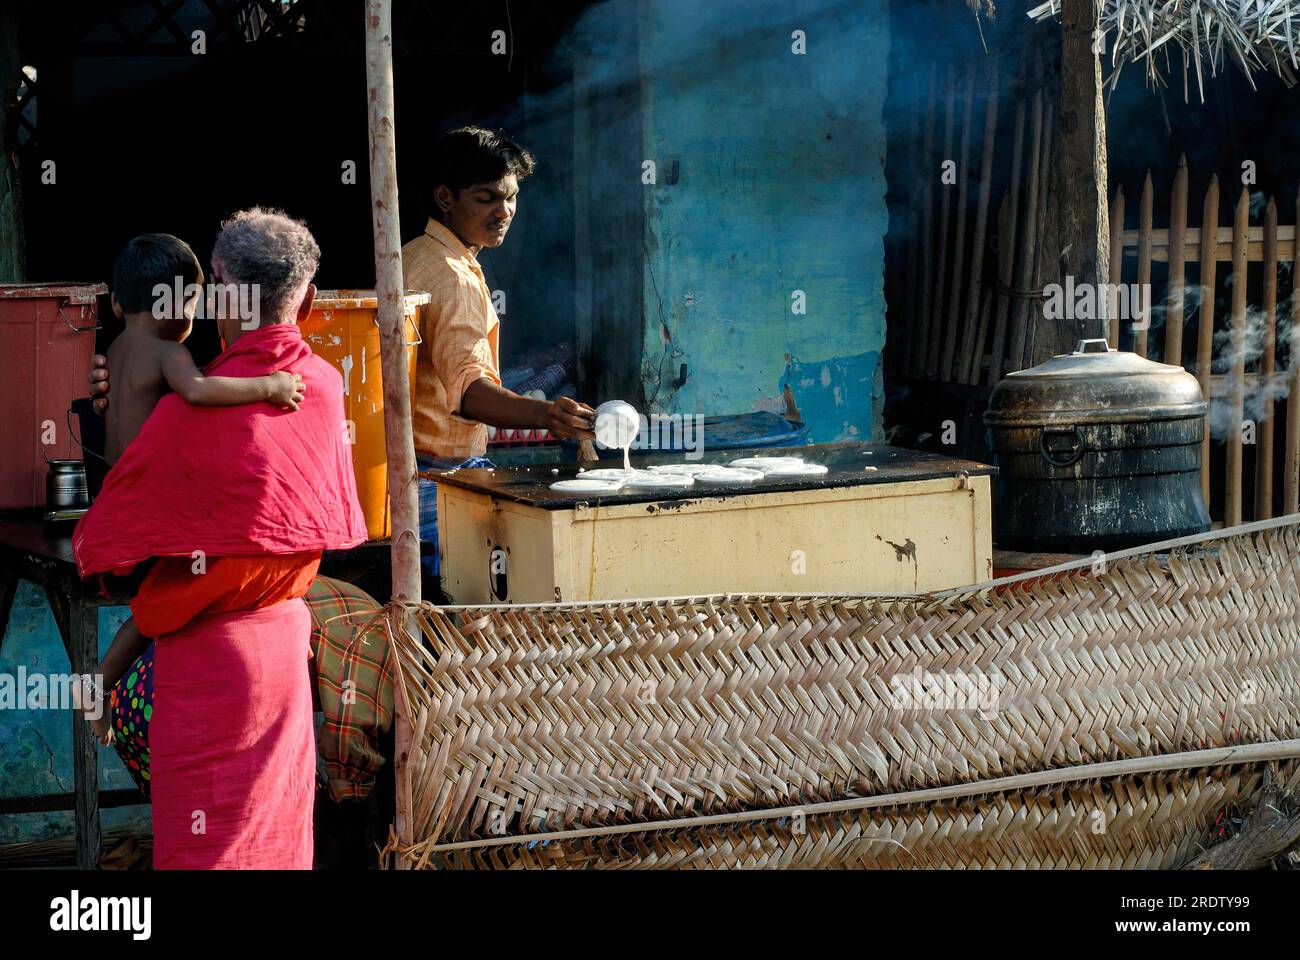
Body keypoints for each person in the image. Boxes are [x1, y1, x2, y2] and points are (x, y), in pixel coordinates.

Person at [75, 207, 368, 869]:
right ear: (312, 300)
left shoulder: (186, 413)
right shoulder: (322, 388)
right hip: (286, 656)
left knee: (207, 847)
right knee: (276, 837)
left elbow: (115, 543)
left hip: (208, 670)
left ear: (219, 302)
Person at [73, 233, 305, 746]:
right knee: (165, 599)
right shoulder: (168, 352)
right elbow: (199, 391)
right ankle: (101, 680)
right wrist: (272, 386)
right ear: (184, 306)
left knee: (158, 595)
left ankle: (104, 682)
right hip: (150, 505)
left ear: (116, 302)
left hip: (115, 494)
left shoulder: (113, 349)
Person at [401, 126, 596, 581]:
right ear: (446, 198)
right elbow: (471, 393)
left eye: (510, 197)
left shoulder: (415, 254)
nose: (503, 212)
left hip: (413, 472)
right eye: (486, 198)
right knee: (471, 614)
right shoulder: (454, 277)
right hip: (442, 480)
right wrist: (547, 415)